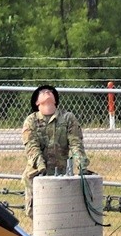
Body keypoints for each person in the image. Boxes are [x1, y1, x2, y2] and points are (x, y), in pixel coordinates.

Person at [21, 84, 88, 217]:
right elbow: (32, 147)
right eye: (42, 92)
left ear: (55, 100)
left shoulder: (67, 118)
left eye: (50, 91)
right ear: (37, 102)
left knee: (60, 214)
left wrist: (81, 164)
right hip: (36, 175)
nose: (47, 92)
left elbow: (75, 143)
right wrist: (41, 168)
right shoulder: (31, 121)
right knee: (37, 213)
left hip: (61, 175)